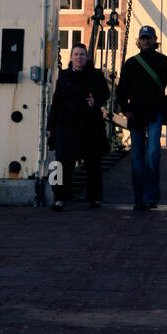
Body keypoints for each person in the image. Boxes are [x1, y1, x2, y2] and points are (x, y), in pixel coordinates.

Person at [117, 25, 167, 210]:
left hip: (154, 112)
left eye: (148, 38)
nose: (146, 40)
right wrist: (126, 109)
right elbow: (122, 90)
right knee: (138, 156)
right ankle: (140, 198)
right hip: (137, 113)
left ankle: (150, 197)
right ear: (140, 41)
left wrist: (165, 108)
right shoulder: (131, 64)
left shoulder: (162, 62)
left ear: (154, 40)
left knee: (152, 153)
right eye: (143, 38)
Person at [46, 43, 109, 209]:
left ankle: (94, 198)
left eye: (82, 54)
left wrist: (95, 100)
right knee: (60, 163)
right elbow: (56, 103)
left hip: (90, 125)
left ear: (86, 57)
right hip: (66, 126)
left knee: (93, 163)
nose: (79, 57)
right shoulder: (64, 76)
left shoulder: (96, 75)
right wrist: (50, 126)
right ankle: (58, 197)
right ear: (71, 57)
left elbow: (105, 94)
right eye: (76, 54)